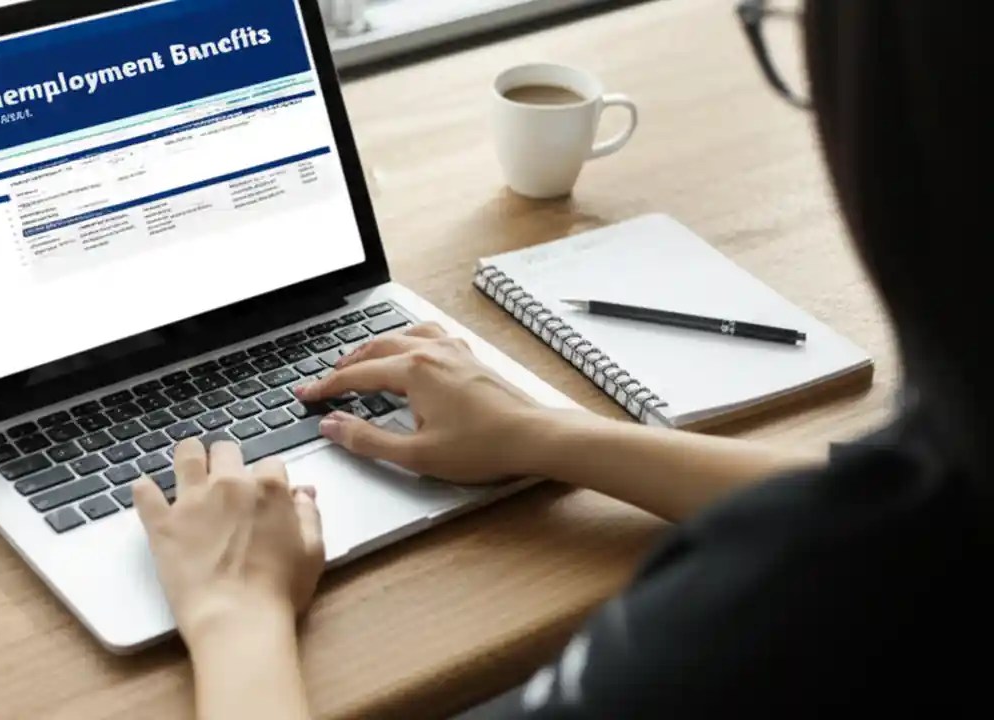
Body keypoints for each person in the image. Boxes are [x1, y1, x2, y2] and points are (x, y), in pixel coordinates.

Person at [131, 1, 989, 717]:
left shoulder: (763, 624)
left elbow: (863, 533)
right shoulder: (937, 489)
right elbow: (893, 491)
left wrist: (231, 610)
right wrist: (550, 435)